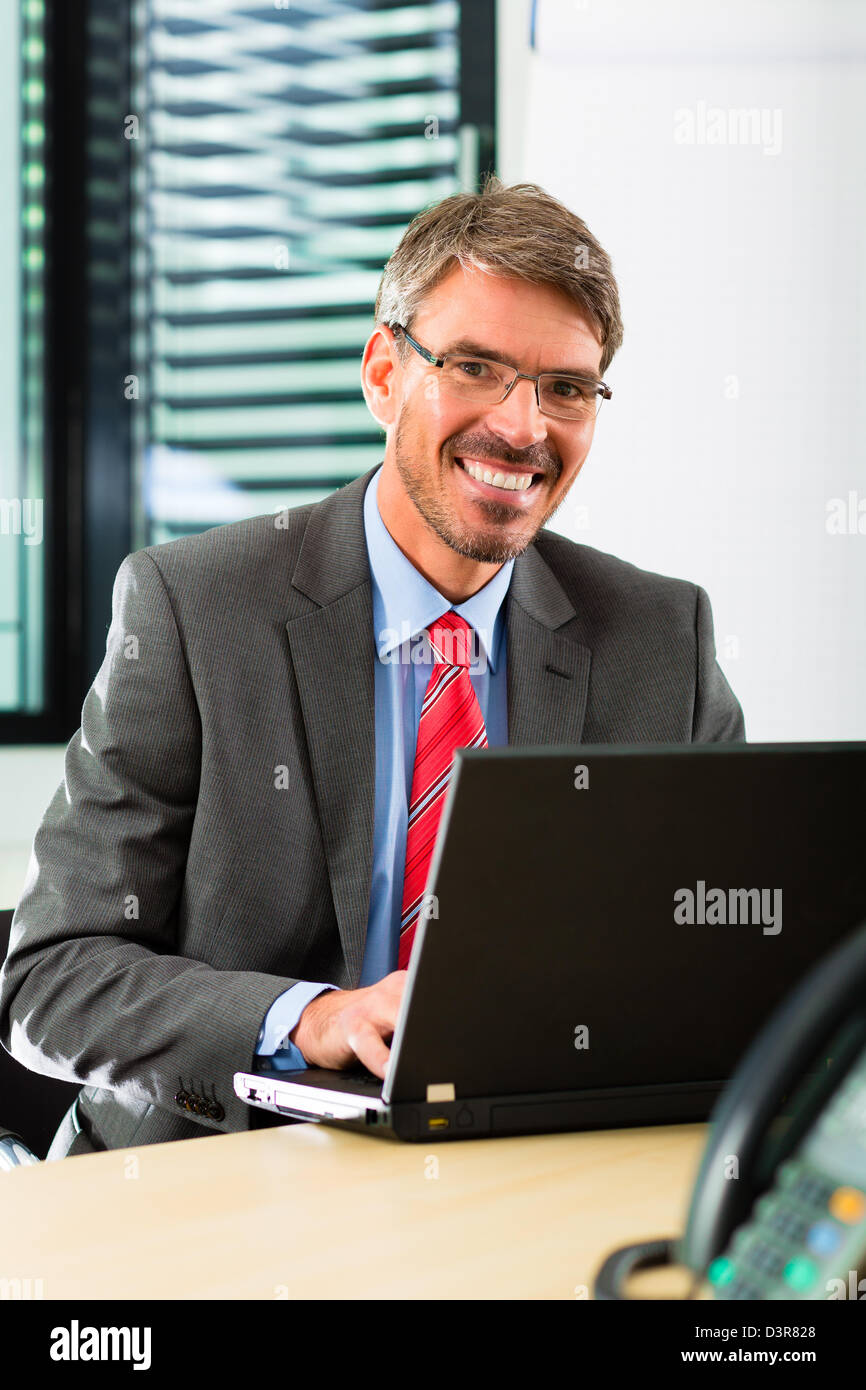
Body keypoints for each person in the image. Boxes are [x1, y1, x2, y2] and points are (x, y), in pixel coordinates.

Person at [0, 176, 745, 1159]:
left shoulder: (660, 638)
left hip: (515, 1165)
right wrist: (309, 1019)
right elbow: (51, 977)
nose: (524, 427)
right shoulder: (193, 608)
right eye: (474, 367)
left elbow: (729, 962)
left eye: (565, 387)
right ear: (384, 374)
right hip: (212, 1172)